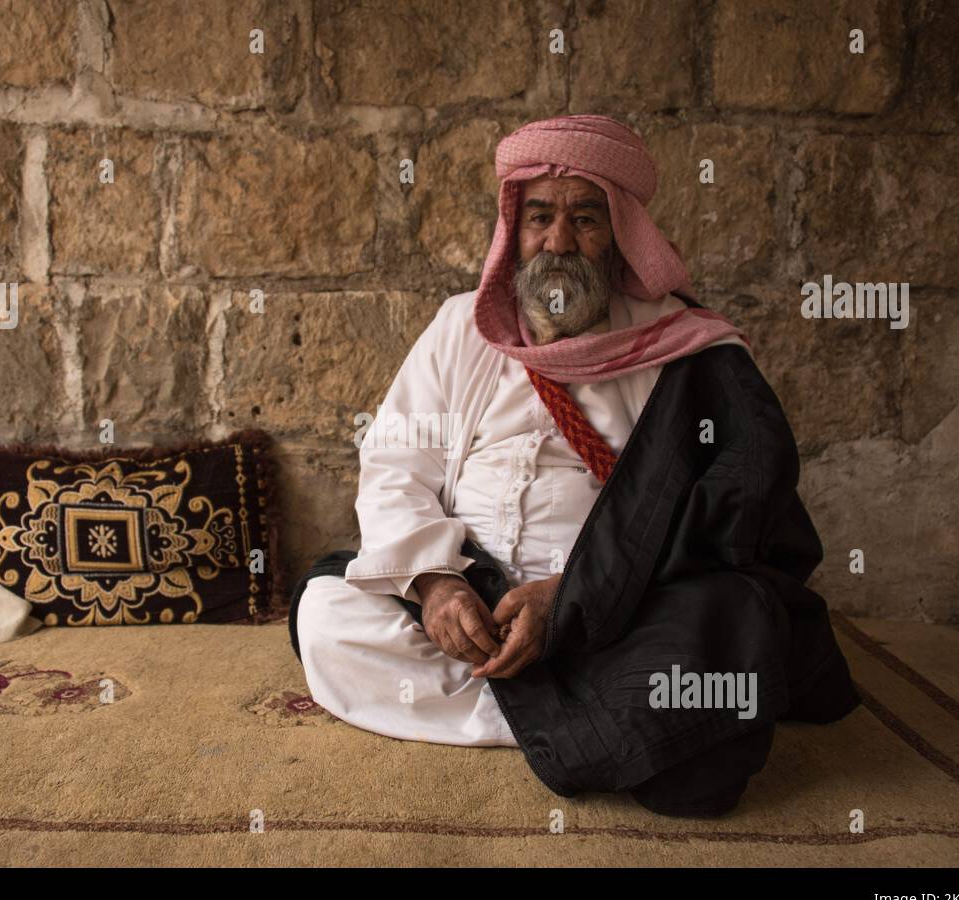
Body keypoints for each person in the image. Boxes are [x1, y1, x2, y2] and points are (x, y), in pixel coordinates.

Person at [289, 114, 859, 816]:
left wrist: (577, 597)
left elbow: (732, 523)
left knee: (732, 625)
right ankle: (591, 722)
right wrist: (437, 586)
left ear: (621, 231)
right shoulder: (459, 328)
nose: (559, 242)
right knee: (327, 613)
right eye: (540, 217)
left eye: (585, 219)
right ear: (514, 228)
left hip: (620, 621)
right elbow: (395, 467)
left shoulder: (684, 349)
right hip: (476, 610)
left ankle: (549, 711)